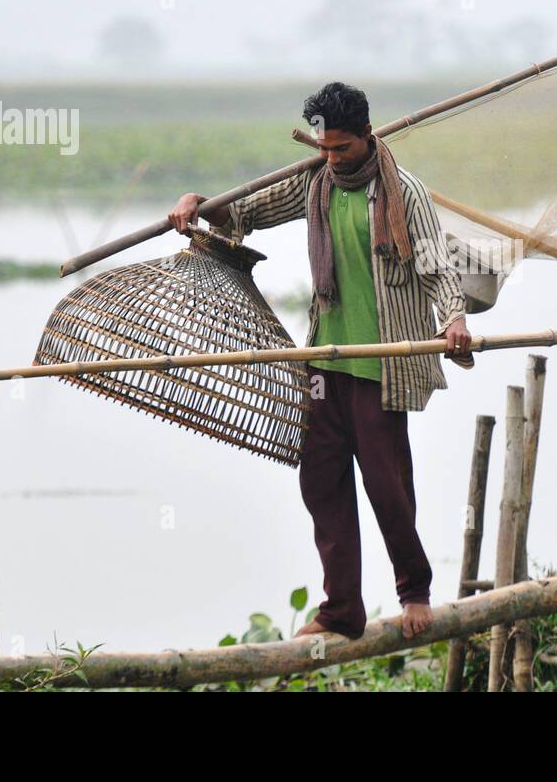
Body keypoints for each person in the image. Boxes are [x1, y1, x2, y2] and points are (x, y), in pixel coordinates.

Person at [168, 81, 472, 639]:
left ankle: (415, 593)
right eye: (324, 149)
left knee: (388, 487)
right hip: (325, 359)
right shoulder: (316, 183)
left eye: (343, 150)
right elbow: (247, 212)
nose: (332, 159)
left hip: (381, 362)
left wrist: (453, 319)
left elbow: (435, 264)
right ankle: (342, 609)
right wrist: (200, 204)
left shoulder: (403, 192)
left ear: (366, 136)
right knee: (322, 481)